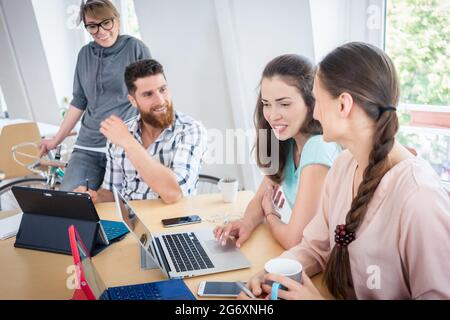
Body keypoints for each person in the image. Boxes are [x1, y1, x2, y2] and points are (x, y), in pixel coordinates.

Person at [240, 42, 450, 300]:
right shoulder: (342, 167)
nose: (314, 112)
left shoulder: (420, 198)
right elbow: (314, 248)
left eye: (316, 100)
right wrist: (272, 274)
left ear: (343, 105)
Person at [214, 54, 340, 249]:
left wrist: (270, 213)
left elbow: (295, 239)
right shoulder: (287, 143)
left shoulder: (318, 147)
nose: (272, 115)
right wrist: (246, 224)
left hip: (329, 266)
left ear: (311, 102)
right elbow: (260, 199)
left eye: (284, 104)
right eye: (266, 104)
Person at [39, 0, 151, 191]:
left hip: (123, 146)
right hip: (87, 146)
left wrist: (149, 141)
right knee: (71, 203)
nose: (100, 31)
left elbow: (150, 95)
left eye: (105, 23)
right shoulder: (84, 55)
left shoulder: (135, 48)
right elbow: (79, 101)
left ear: (116, 20)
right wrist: (56, 140)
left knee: (117, 211)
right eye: (92, 26)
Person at [74, 59, 207, 204]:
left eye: (163, 89)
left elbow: (173, 194)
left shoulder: (190, 130)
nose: (160, 100)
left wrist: (129, 143)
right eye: (148, 94)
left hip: (170, 223)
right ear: (132, 100)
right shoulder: (121, 135)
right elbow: (112, 193)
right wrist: (95, 198)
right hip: (129, 224)